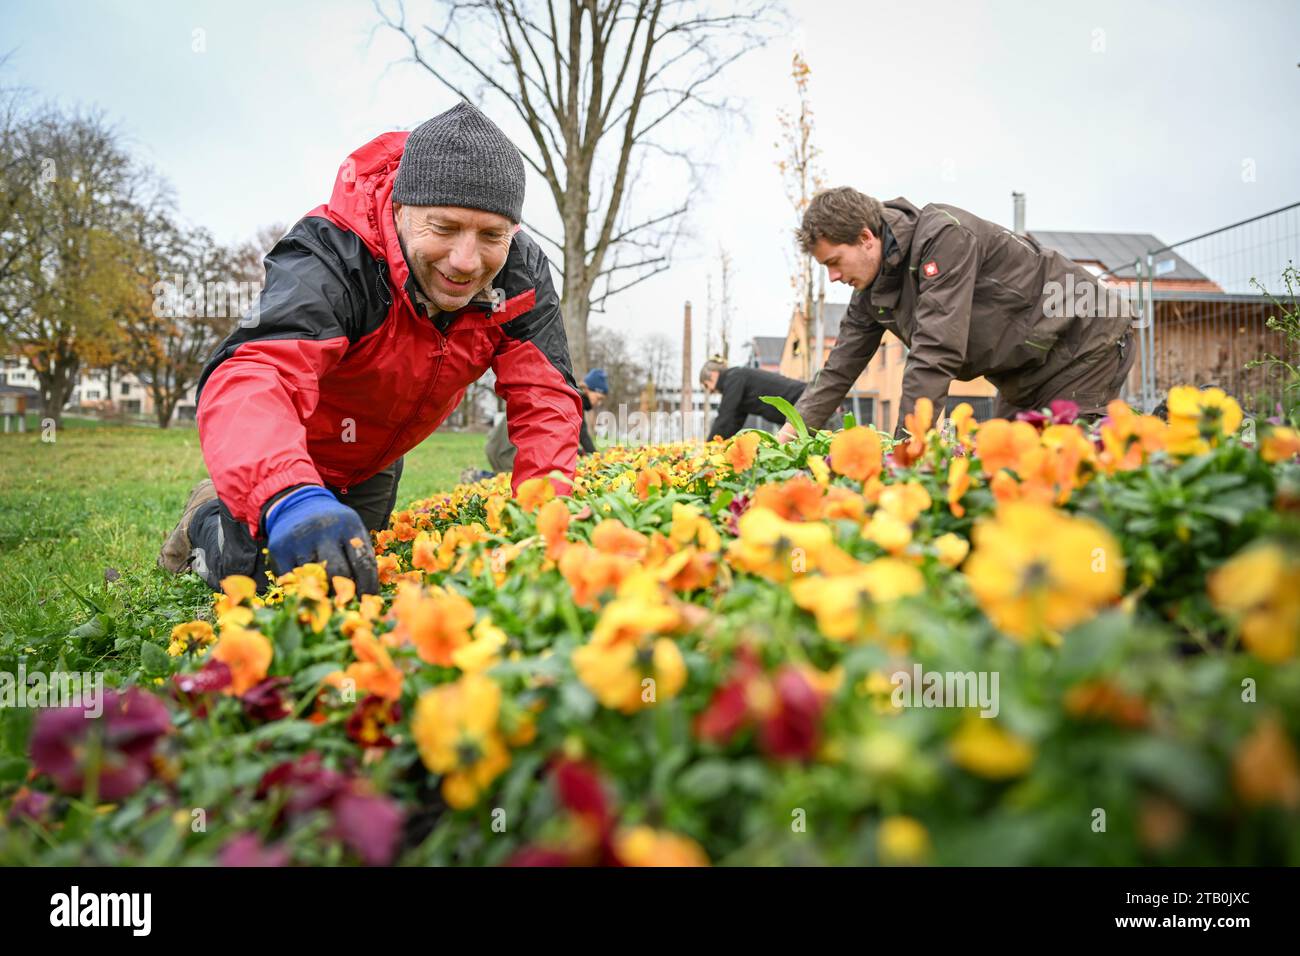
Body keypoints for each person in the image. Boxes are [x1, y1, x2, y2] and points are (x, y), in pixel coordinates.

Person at [157, 102, 584, 595]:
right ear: (402, 210)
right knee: (258, 579)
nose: (466, 261)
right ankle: (204, 517)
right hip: (289, 446)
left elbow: (546, 397)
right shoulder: (336, 255)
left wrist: (542, 518)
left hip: (375, 456)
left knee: (350, 578)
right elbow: (255, 373)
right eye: (443, 228)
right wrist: (287, 494)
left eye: (492, 234)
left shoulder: (519, 274)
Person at [778, 187, 1136, 443]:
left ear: (865, 237)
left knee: (1066, 461)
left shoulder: (945, 237)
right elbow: (839, 368)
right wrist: (789, 432)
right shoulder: (871, 293)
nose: (834, 277)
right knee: (1006, 469)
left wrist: (907, 447)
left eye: (834, 262)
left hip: (1085, 339)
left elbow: (936, 349)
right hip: (1025, 371)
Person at [484, 368, 609, 473]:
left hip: (498, 448)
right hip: (505, 452)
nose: (598, 403)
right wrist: (597, 459)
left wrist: (581, 453)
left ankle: (480, 477)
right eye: (598, 398)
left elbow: (558, 440)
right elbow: (583, 435)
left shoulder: (566, 395)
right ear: (587, 389)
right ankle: (478, 476)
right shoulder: (575, 399)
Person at [700, 358, 808, 439]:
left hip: (801, 399)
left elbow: (725, 414)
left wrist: (709, 444)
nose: (709, 390)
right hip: (796, 405)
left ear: (713, 374)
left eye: (706, 385)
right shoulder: (735, 382)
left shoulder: (734, 377)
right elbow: (734, 422)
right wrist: (722, 442)